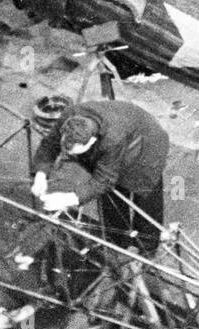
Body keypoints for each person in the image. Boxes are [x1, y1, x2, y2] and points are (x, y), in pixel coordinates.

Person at [32, 100, 169, 255]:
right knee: (111, 197)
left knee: (145, 195)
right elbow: (50, 144)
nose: (68, 156)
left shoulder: (112, 139)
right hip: (123, 128)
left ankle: (147, 247)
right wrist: (41, 174)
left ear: (92, 141)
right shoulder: (69, 117)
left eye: (75, 152)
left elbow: (103, 180)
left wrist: (69, 198)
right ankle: (116, 241)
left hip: (147, 147)